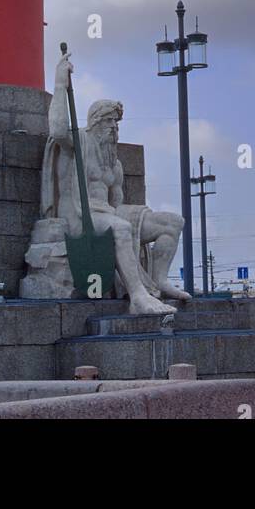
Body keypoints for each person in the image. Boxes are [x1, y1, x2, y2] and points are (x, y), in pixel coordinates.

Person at [41, 50, 190, 315]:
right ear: (95, 122)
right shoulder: (81, 142)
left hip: (106, 212)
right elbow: (58, 129)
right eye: (108, 121)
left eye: (116, 122)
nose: (113, 127)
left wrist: (134, 221)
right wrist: (60, 84)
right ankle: (137, 298)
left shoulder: (114, 162)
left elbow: (117, 203)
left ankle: (160, 280)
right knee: (120, 229)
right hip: (79, 215)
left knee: (172, 222)